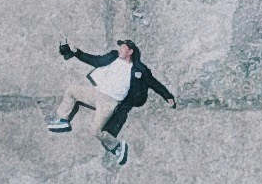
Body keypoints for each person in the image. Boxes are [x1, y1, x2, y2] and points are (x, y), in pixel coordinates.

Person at [46, 39, 174, 133]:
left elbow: (153, 82)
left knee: (96, 131)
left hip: (110, 102)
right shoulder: (113, 56)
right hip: (96, 92)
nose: (119, 49)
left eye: (122, 47)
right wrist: (77, 53)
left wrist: (167, 95)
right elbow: (95, 60)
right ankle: (63, 121)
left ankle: (116, 147)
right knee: (71, 91)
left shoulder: (139, 69)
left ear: (130, 51)